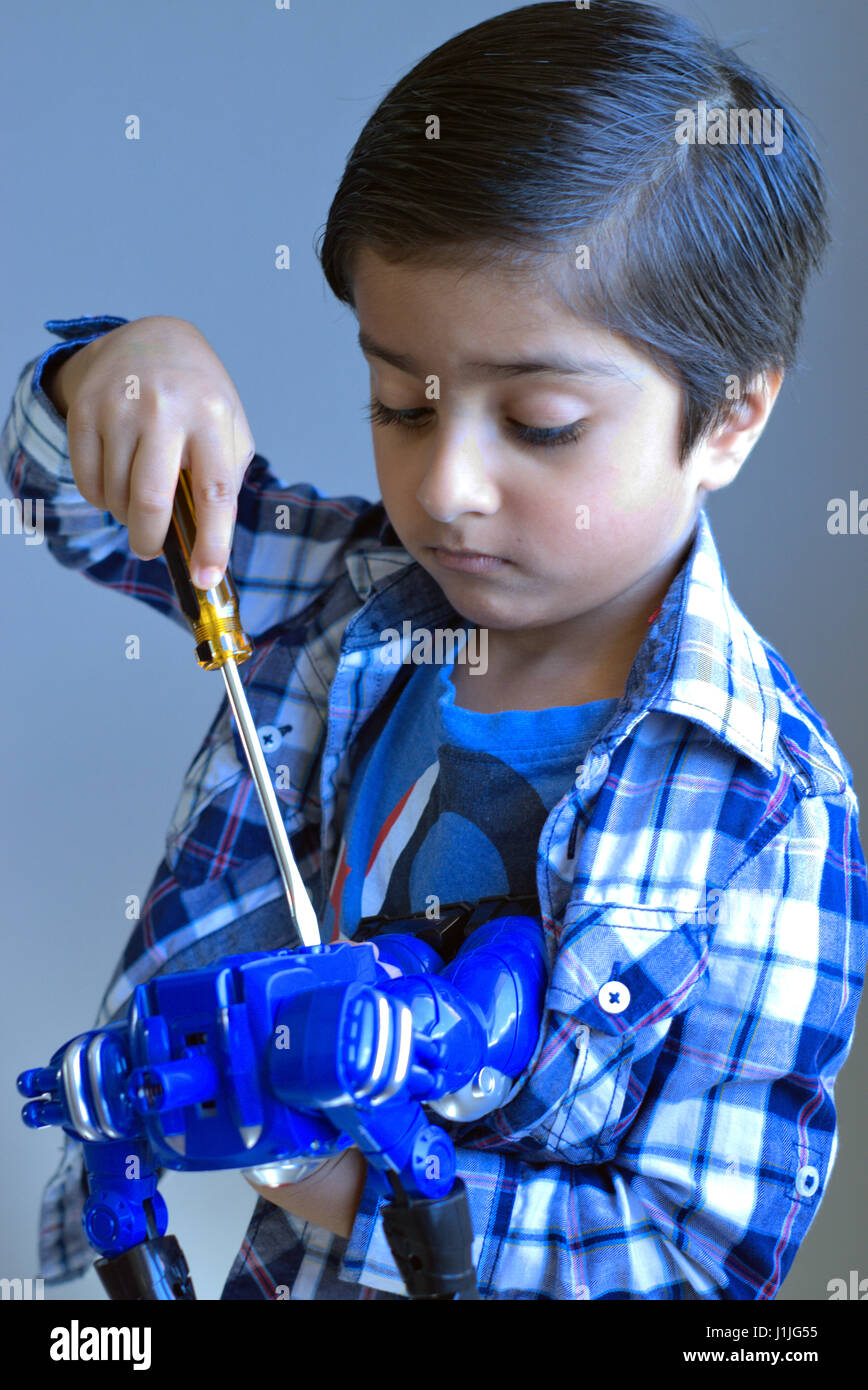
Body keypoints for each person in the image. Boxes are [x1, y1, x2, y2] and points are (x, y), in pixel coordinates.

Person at [3, 0, 866, 1300]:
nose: (448, 484)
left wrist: (354, 1185)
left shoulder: (772, 812)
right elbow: (47, 499)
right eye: (401, 398)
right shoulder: (342, 591)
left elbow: (699, 1262)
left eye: (541, 420)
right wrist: (116, 373)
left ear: (731, 418)